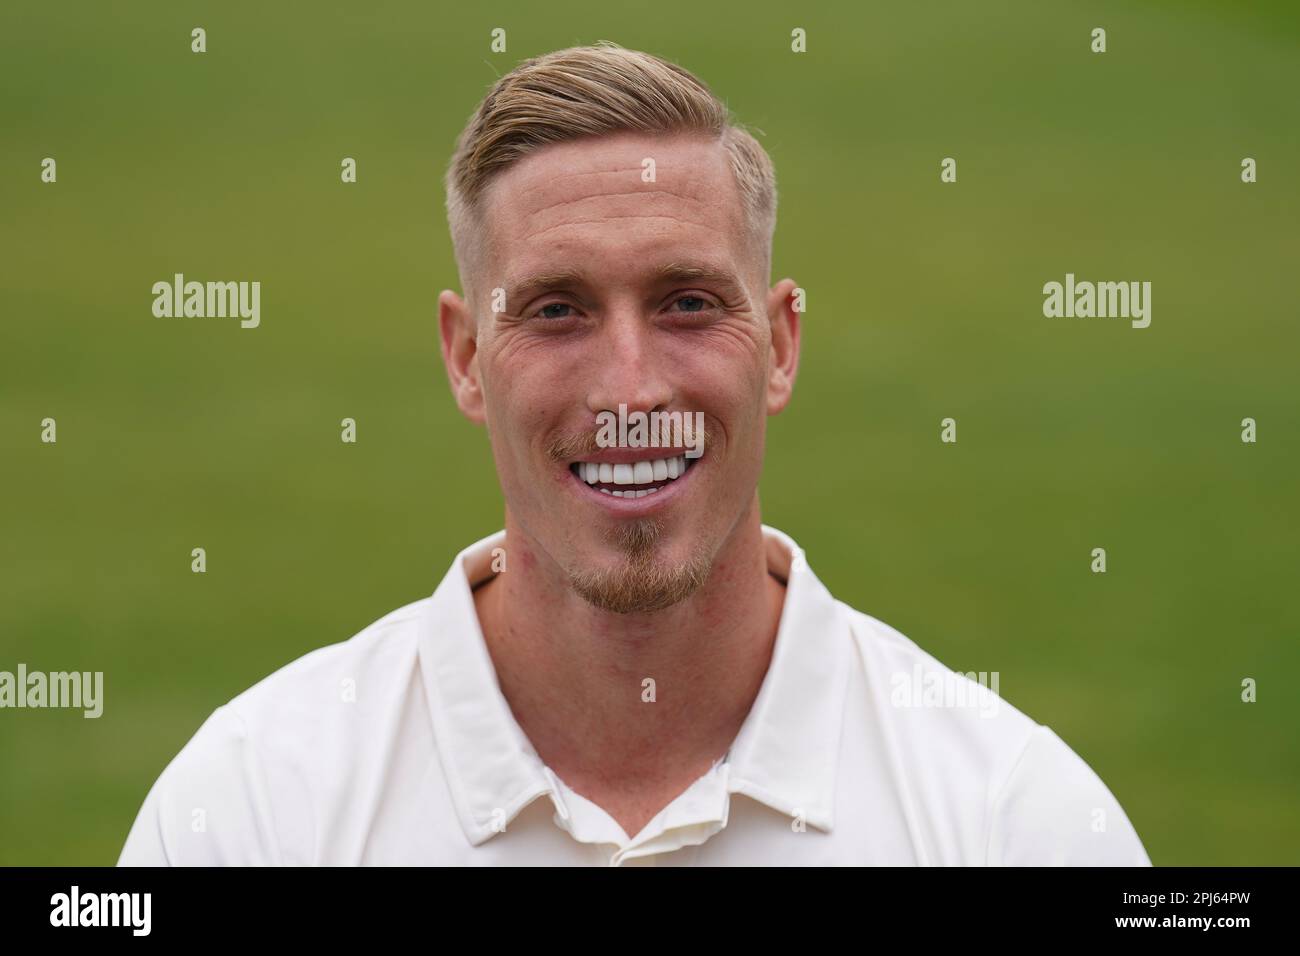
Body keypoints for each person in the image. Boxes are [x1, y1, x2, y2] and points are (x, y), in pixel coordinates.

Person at [119, 42, 1149, 866]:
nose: (629, 391)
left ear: (781, 344)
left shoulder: (1018, 819)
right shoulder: (248, 807)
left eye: (688, 303)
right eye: (557, 309)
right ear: (467, 356)